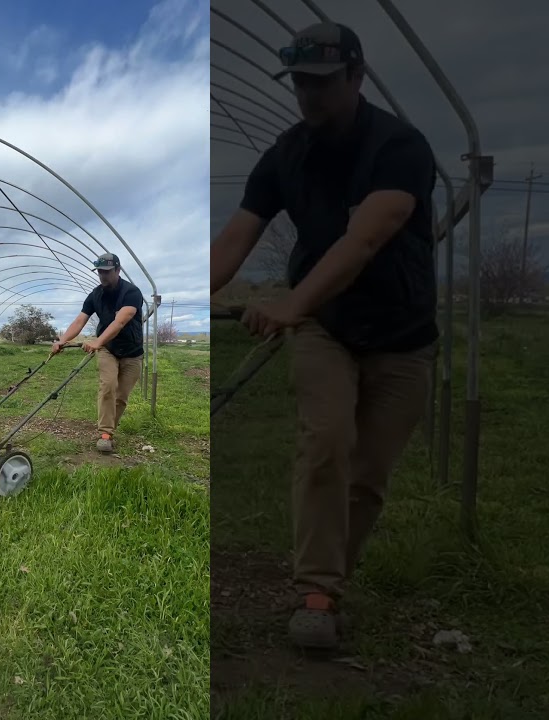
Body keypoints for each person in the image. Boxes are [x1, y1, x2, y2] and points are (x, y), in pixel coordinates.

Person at [211, 21, 438, 651]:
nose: (310, 96)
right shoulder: (285, 156)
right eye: (301, 84)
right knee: (327, 440)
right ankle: (315, 590)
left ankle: (331, 582)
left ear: (357, 77)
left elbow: (362, 240)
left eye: (323, 82)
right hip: (325, 330)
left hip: (403, 333)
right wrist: (179, 294)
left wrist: (288, 302)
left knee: (368, 476)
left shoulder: (400, 147)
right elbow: (236, 238)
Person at [52, 252, 145, 454]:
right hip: (108, 350)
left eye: (107, 271)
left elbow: (119, 322)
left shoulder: (132, 292)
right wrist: (63, 340)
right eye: (100, 272)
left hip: (132, 352)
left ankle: (110, 429)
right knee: (108, 386)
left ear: (118, 270)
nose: (103, 276)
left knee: (121, 397)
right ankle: (105, 433)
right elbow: (80, 320)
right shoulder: (95, 295)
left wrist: (96, 341)